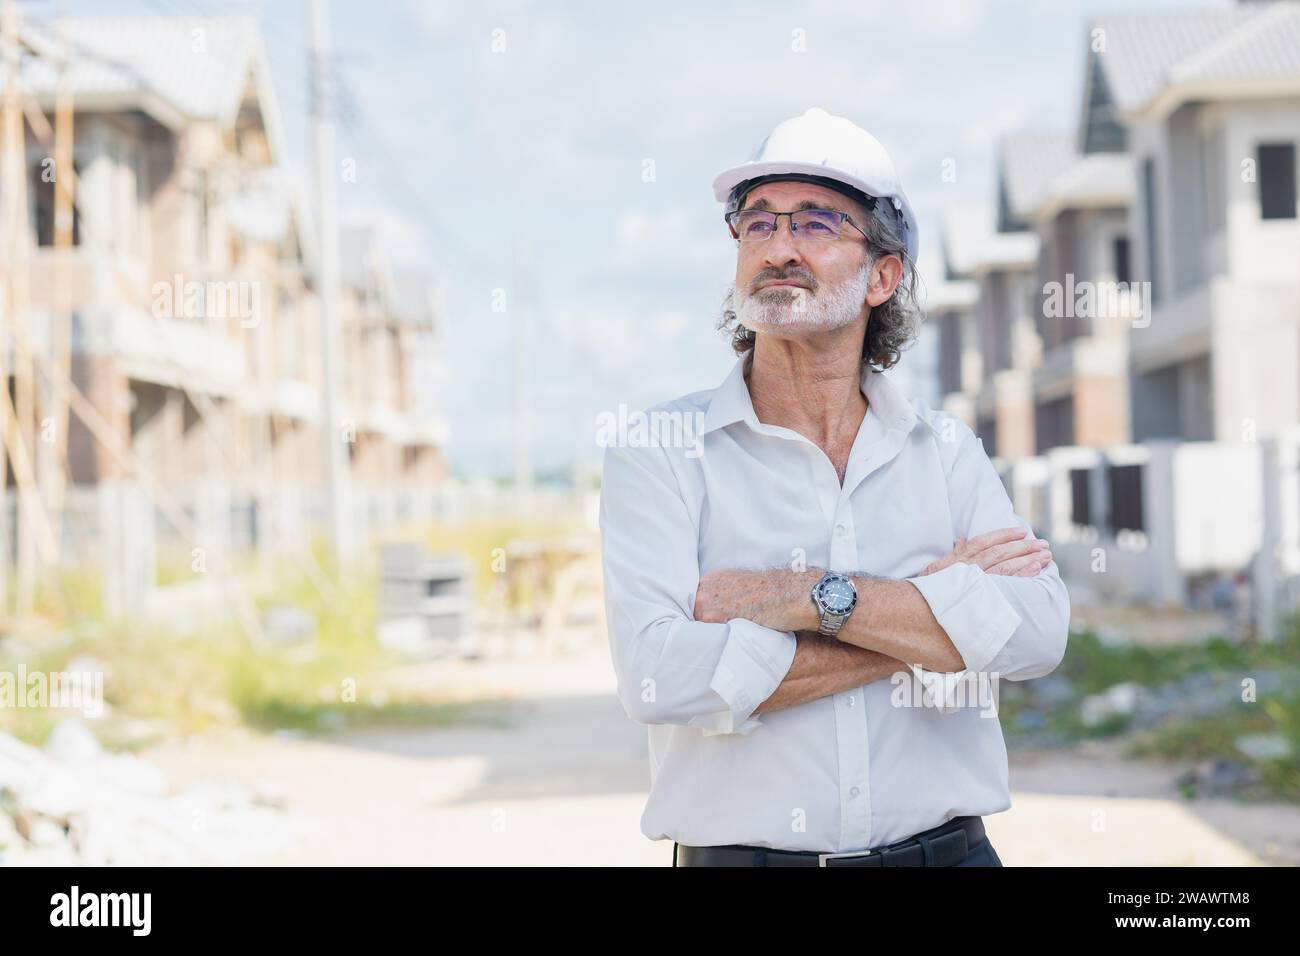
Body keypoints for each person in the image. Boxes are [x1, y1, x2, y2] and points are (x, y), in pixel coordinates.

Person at [599, 107, 1071, 867]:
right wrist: (926, 614)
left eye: (815, 224)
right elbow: (658, 678)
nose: (777, 248)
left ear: (884, 275)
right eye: (757, 224)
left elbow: (1040, 633)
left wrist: (805, 596)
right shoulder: (660, 452)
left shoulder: (945, 451)